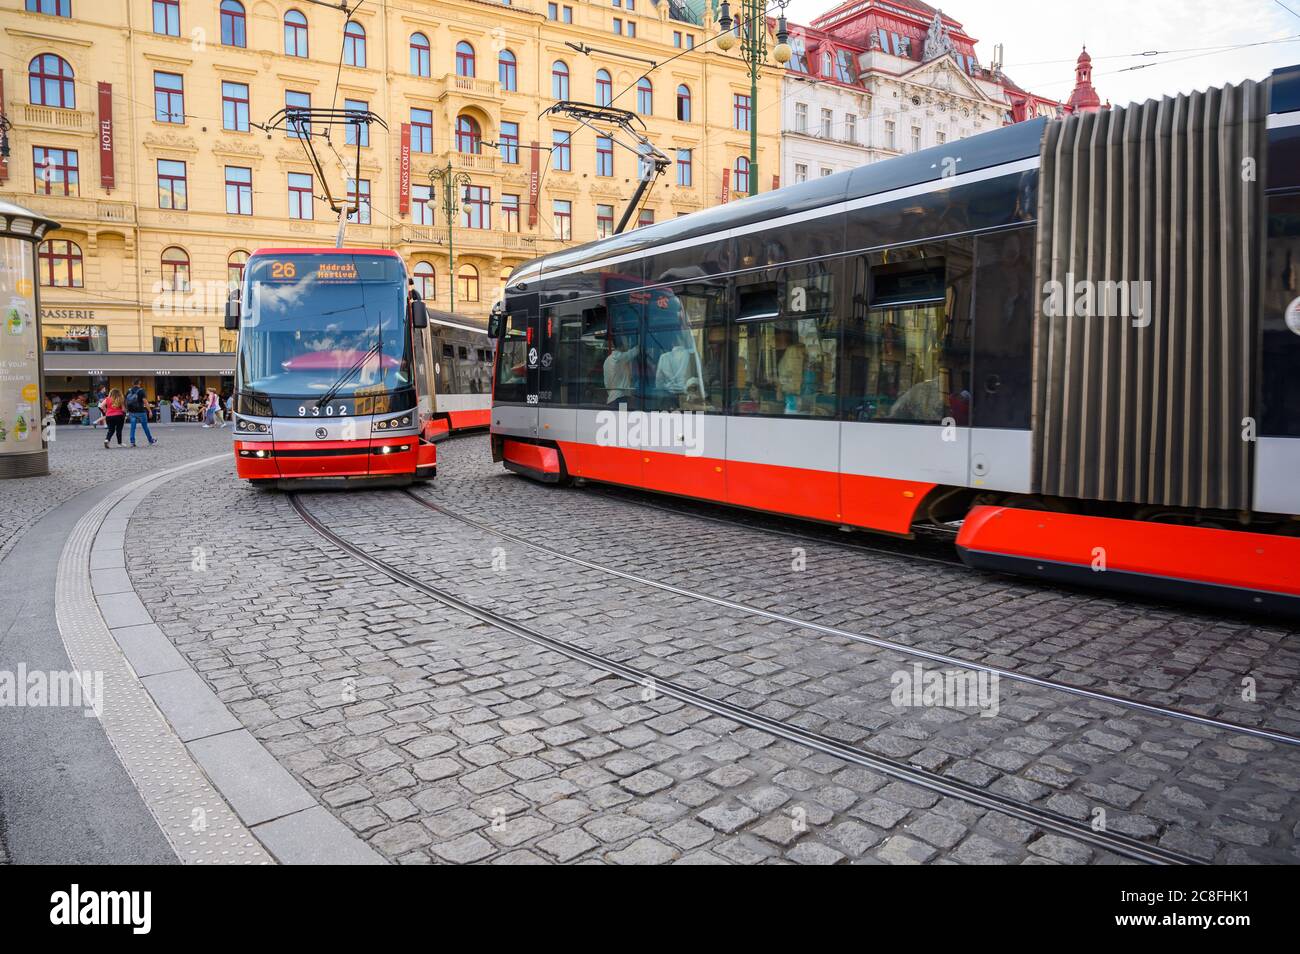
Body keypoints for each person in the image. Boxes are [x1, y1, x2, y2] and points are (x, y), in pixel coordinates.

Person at [125, 378, 157, 448]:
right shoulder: (141, 391)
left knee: (132, 427)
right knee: (145, 427)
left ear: (133, 383)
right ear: (139, 383)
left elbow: (126, 401)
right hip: (141, 411)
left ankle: (132, 442)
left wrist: (127, 410)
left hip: (132, 412)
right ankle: (150, 440)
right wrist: (150, 411)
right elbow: (145, 401)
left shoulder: (129, 391)